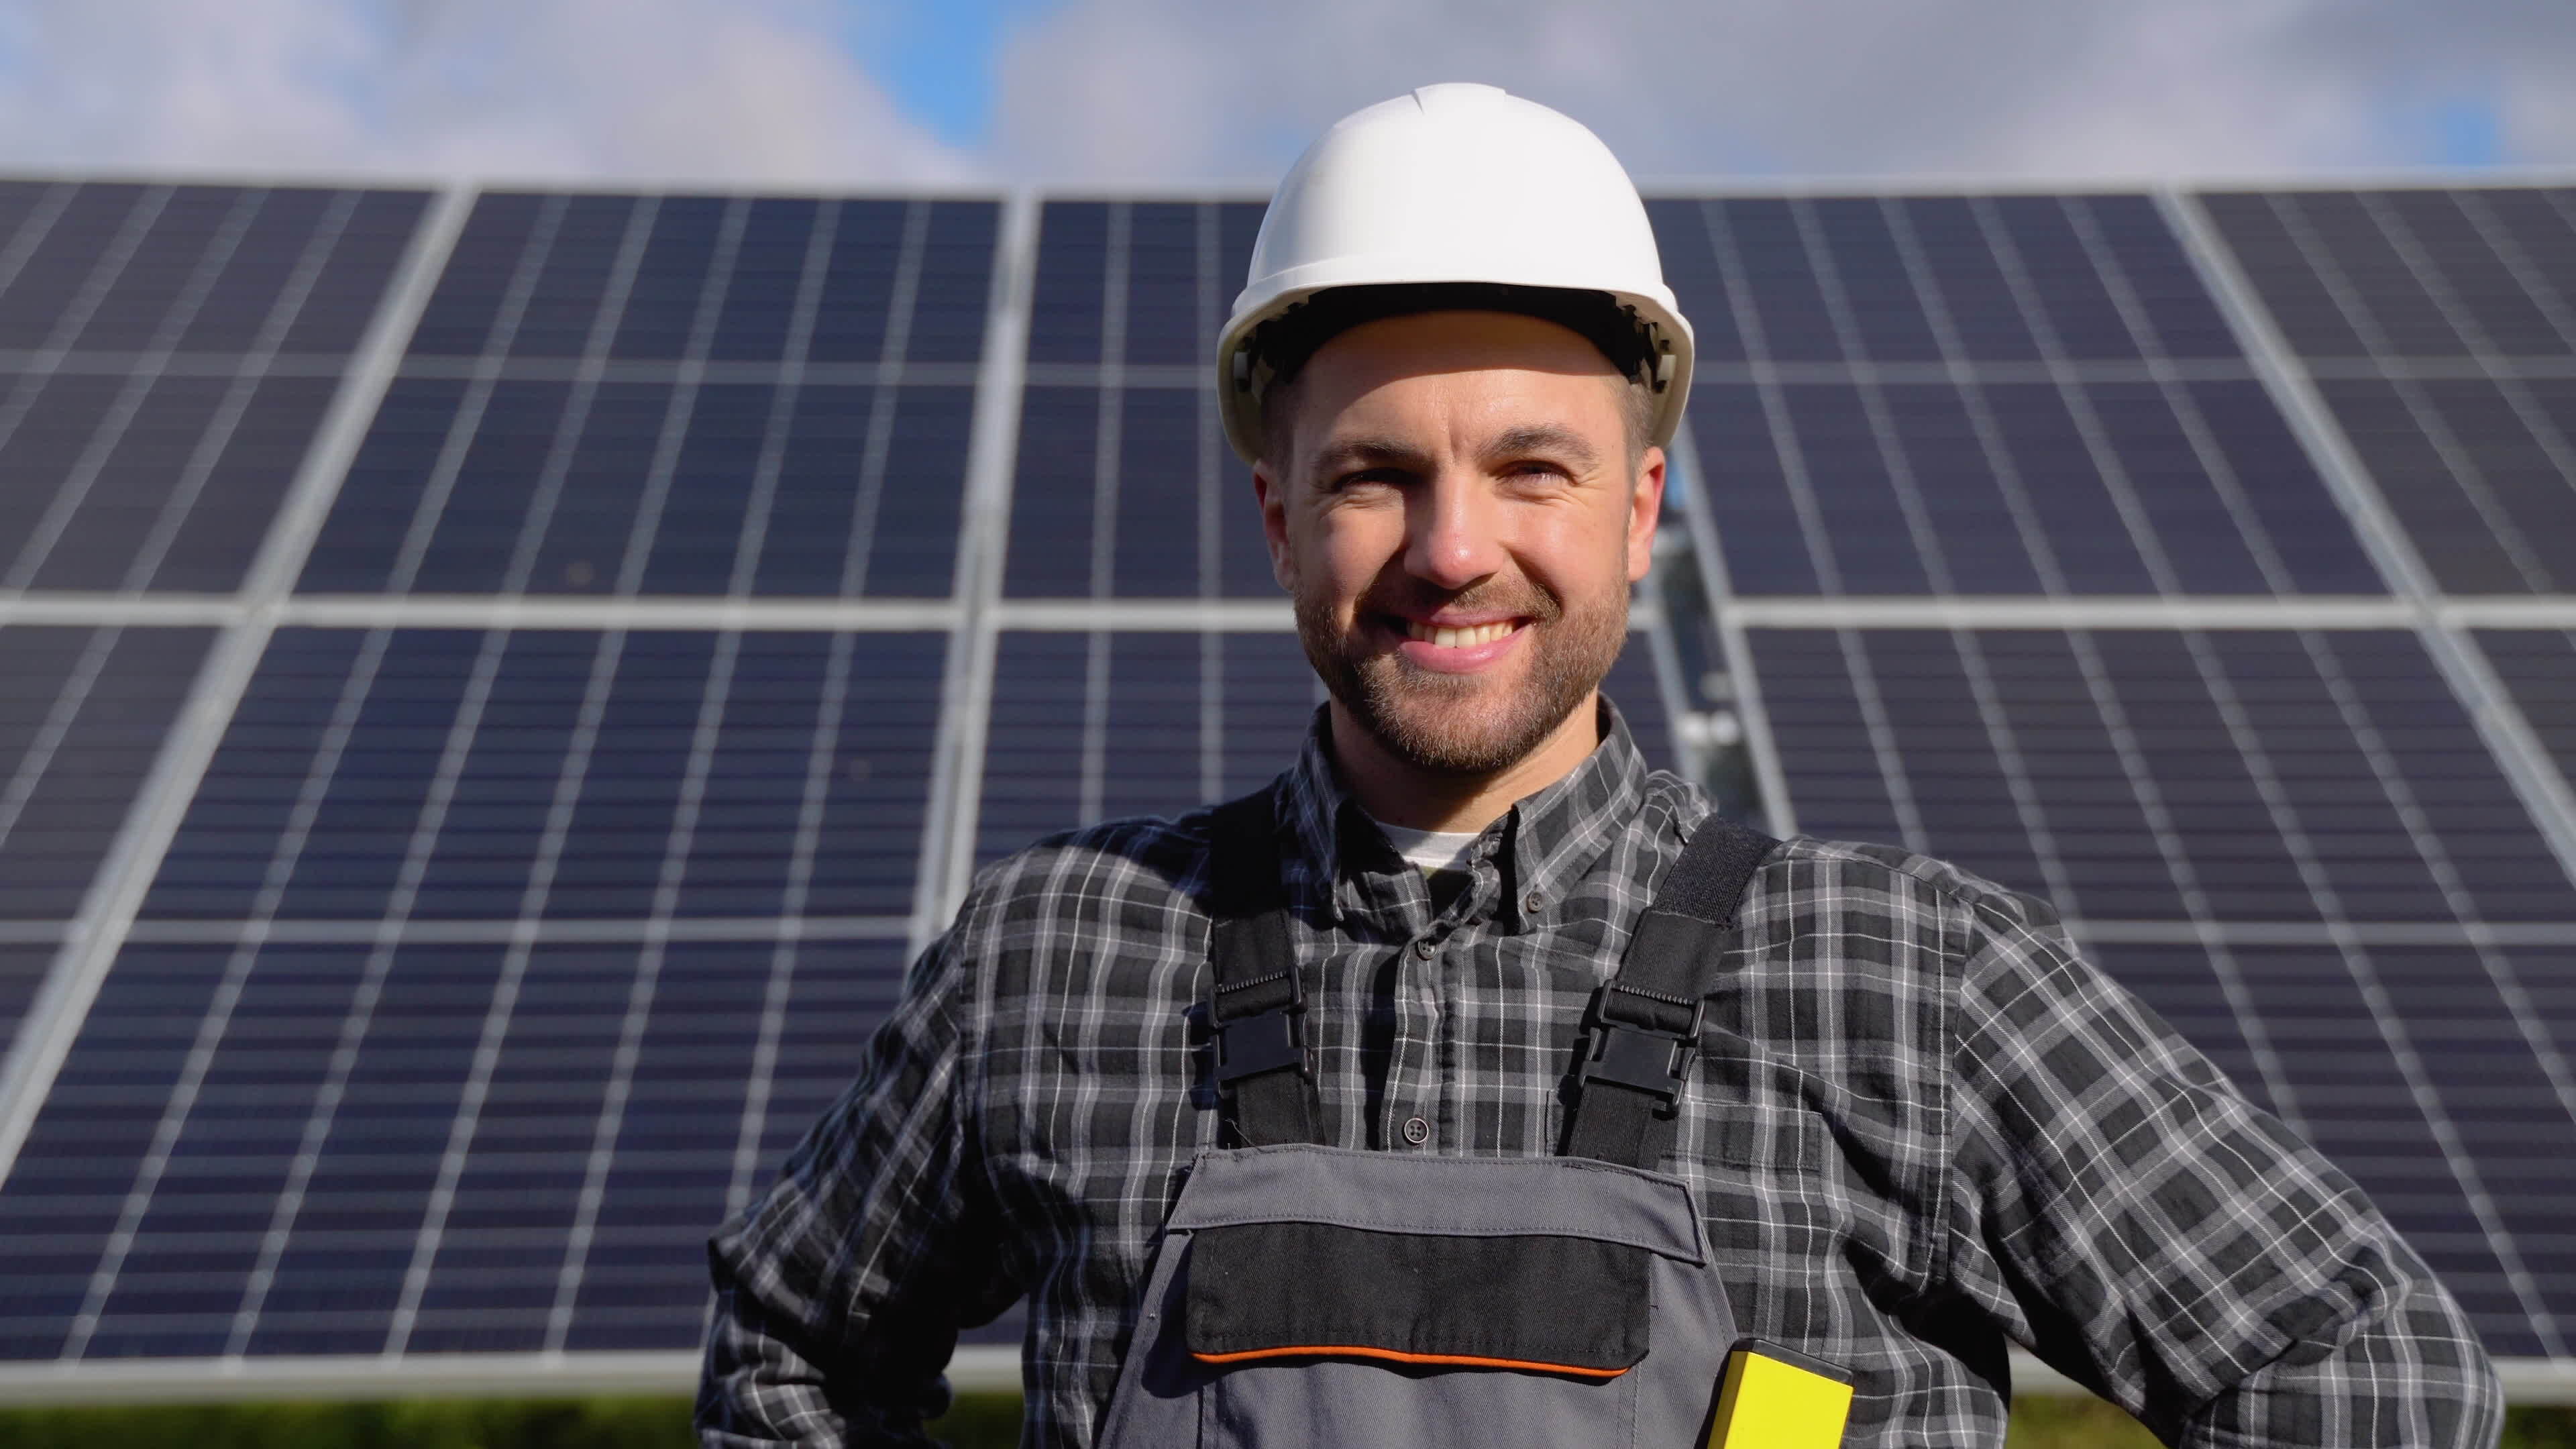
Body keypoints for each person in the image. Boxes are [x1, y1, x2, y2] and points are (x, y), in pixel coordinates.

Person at [698, 85, 2502, 1448]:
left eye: (1531, 470)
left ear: (1640, 512)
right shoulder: (1054, 958)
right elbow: (792, 1359)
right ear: (1279, 515)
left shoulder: (1907, 980)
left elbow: (2368, 1376)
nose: (1451, 549)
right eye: (1374, 475)